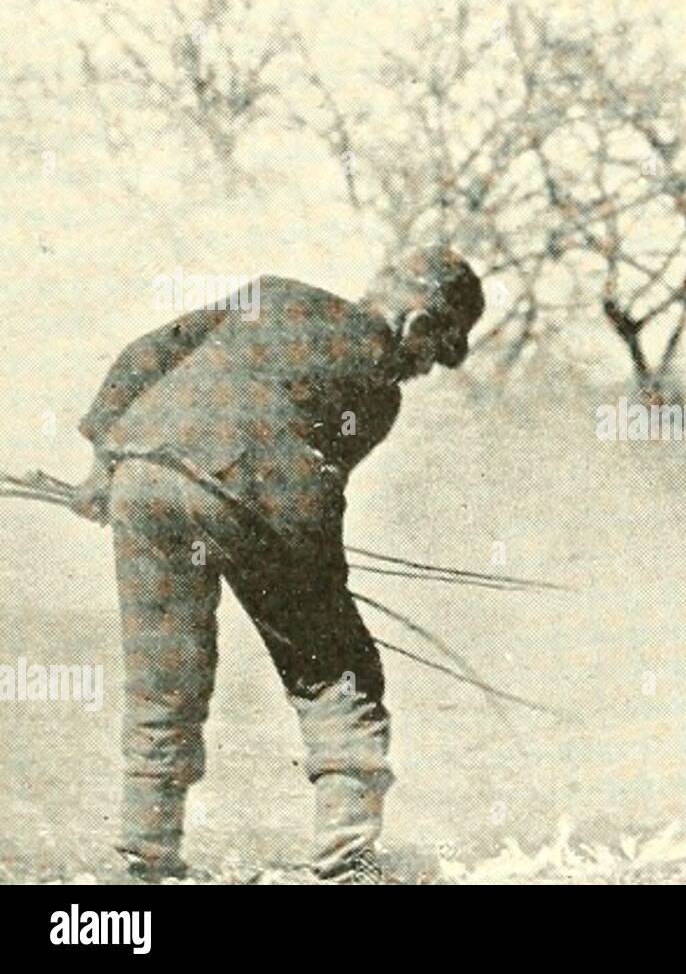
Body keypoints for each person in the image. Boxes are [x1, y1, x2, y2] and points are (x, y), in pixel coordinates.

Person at [68, 246, 484, 882]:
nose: (425, 368)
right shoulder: (380, 391)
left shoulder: (273, 293)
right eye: (435, 351)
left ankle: (144, 860)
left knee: (163, 680)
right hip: (258, 498)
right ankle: (347, 863)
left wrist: (103, 464)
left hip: (144, 476)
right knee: (339, 671)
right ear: (418, 326)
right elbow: (312, 495)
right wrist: (324, 587)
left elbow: (143, 356)